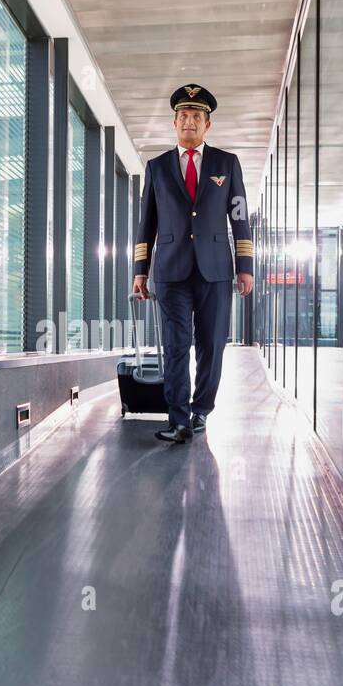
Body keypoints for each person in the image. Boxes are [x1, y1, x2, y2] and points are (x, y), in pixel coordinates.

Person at [132, 85, 254, 443]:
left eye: (196, 117)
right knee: (175, 345)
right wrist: (140, 272)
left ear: (207, 125)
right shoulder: (156, 167)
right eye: (183, 116)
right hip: (170, 271)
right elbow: (146, 223)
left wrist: (245, 264)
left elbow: (240, 215)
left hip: (216, 269)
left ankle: (201, 410)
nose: (189, 121)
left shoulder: (226, 163)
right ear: (174, 123)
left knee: (212, 344)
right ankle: (178, 419)